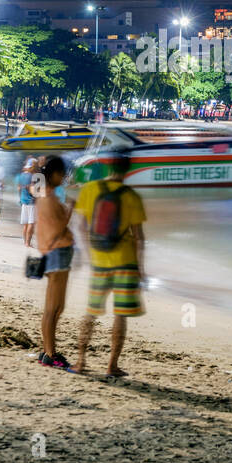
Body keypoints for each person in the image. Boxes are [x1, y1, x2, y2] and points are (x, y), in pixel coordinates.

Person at [73, 154, 146, 378]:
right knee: (120, 315)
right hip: (125, 262)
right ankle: (111, 366)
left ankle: (80, 361)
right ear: (127, 170)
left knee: (91, 313)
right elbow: (139, 238)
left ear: (109, 167)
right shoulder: (132, 196)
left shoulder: (90, 189)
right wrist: (141, 269)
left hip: (99, 261)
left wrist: (88, 253)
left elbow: (82, 226)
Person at [34, 156, 75, 370]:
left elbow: (35, 182)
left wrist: (39, 166)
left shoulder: (41, 193)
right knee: (54, 307)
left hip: (51, 251)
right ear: (54, 174)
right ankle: (50, 353)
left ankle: (47, 350)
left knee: (54, 307)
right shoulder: (49, 199)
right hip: (57, 252)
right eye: (62, 173)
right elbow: (60, 226)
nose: (64, 177)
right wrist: (71, 207)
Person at [16, 157, 39, 247]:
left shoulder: (21, 175)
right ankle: (28, 243)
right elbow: (35, 192)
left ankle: (25, 242)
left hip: (23, 201)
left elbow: (19, 188)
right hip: (32, 202)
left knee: (25, 224)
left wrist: (20, 199)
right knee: (31, 224)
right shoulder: (34, 176)